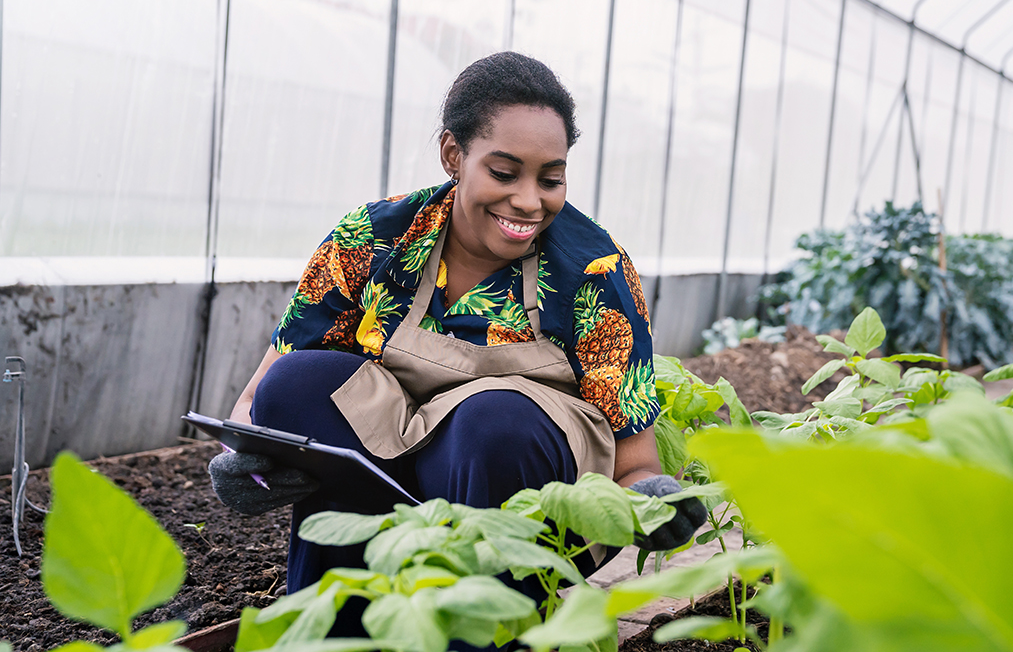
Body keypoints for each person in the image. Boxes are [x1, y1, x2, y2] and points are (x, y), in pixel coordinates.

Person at [207, 52, 706, 623]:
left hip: (513, 487)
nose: (528, 201)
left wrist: (650, 503)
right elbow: (260, 394)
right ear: (453, 155)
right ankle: (335, 620)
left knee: (490, 423)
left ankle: (484, 626)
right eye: (503, 172)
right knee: (298, 384)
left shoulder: (593, 271)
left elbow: (633, 462)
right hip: (385, 478)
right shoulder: (375, 237)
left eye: (551, 179)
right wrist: (244, 458)